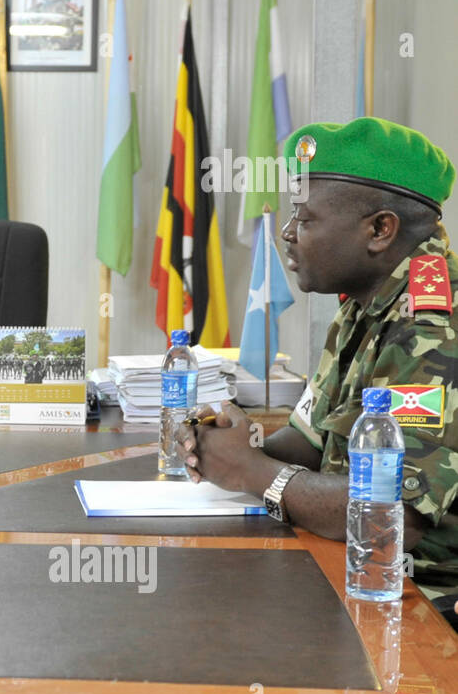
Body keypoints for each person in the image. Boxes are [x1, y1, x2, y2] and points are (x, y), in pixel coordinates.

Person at [175, 117, 458, 619]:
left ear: (379, 229)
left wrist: (254, 472)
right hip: (351, 567)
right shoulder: (369, 298)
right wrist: (236, 443)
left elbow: (394, 516)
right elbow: (312, 441)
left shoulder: (434, 326)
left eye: (305, 220)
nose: (287, 233)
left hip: (422, 600)